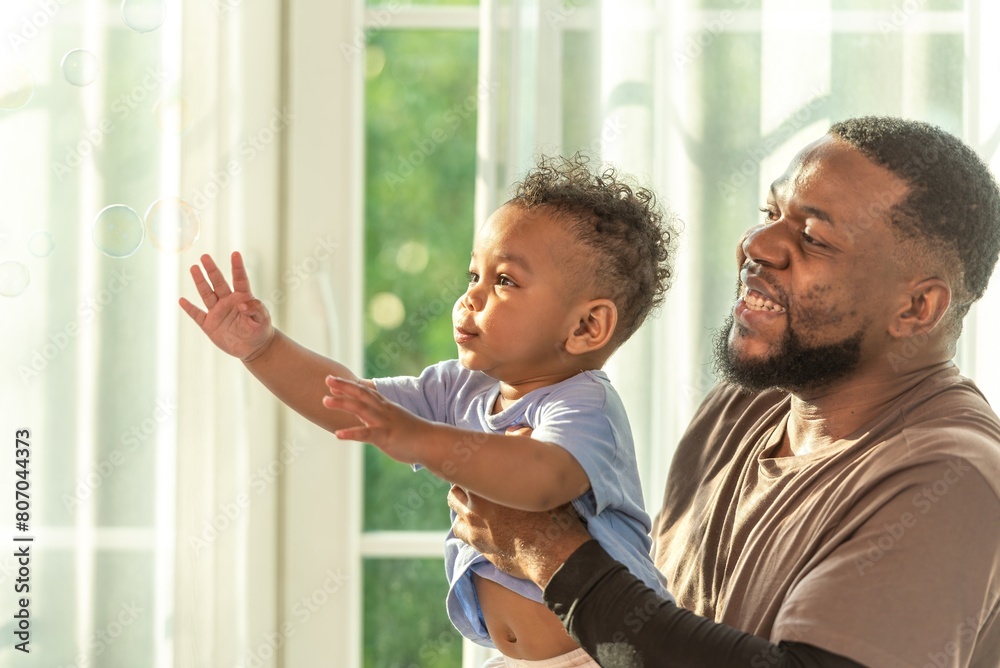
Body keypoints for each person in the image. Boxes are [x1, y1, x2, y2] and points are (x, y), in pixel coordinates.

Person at [448, 116, 1000, 667]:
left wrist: (552, 555)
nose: (756, 245)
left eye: (812, 238)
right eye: (769, 214)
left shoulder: (951, 479)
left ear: (916, 308)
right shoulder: (747, 404)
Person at [179, 154, 681, 667]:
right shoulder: (460, 386)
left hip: (603, 656)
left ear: (586, 328)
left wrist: (420, 437)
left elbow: (544, 478)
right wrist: (263, 349)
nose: (470, 297)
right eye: (473, 274)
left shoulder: (585, 403)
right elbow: (350, 403)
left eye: (504, 281)